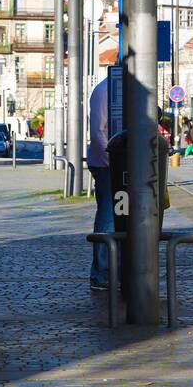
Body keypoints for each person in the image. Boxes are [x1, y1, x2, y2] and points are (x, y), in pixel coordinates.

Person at [87, 75, 114, 291]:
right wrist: (111, 161)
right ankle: (101, 272)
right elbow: (97, 131)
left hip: (119, 164)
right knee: (107, 216)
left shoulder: (125, 89)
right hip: (107, 166)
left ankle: (112, 270)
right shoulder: (105, 90)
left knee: (115, 216)